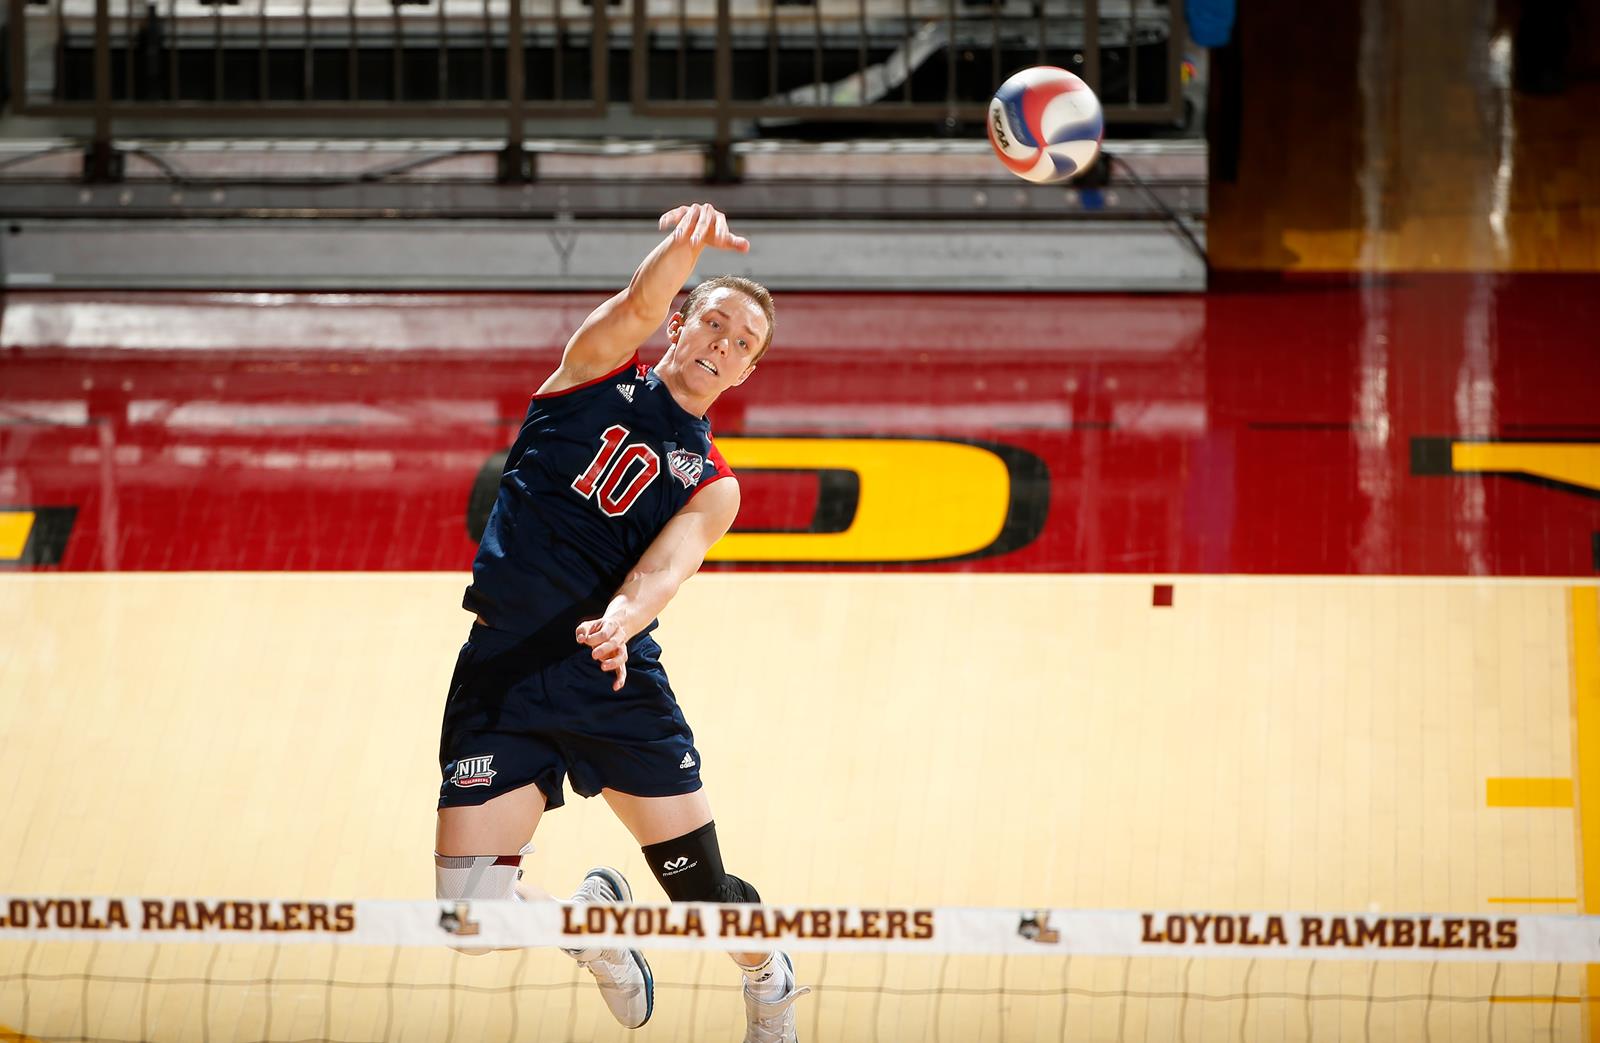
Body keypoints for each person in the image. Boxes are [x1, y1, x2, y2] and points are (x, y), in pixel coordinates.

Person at [433, 202, 809, 1042]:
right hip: (501, 673)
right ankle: (589, 929)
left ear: (748, 371)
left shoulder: (714, 482)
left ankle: (769, 975)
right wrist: (683, 246)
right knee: (466, 919)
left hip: (611, 680)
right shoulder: (589, 373)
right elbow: (636, 305)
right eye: (714, 323)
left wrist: (621, 618)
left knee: (703, 897)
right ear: (680, 323)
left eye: (744, 344)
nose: (724, 345)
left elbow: (664, 569)